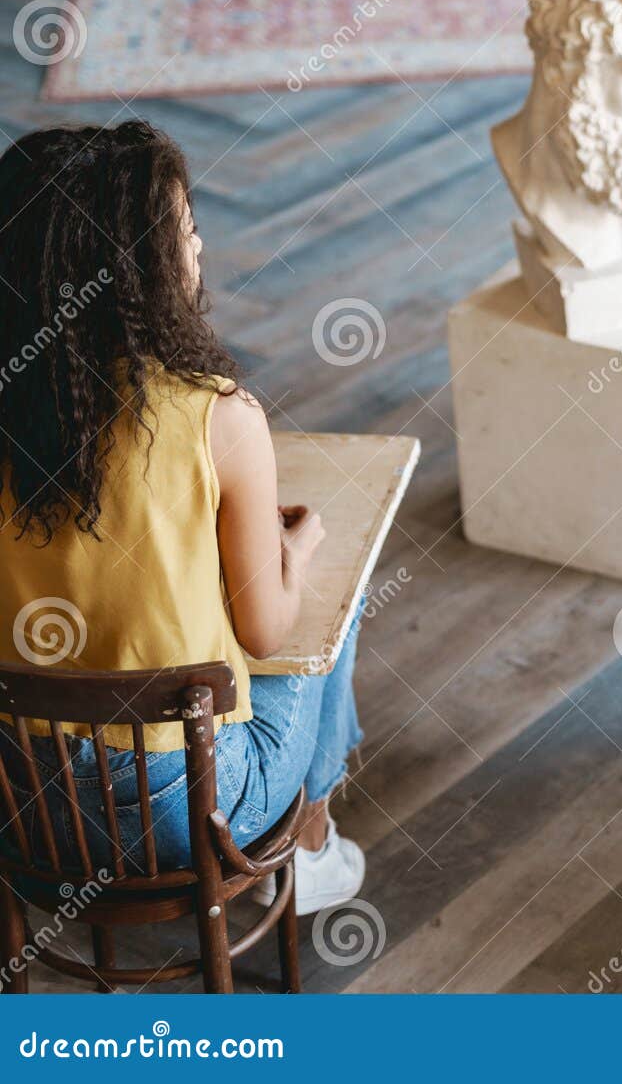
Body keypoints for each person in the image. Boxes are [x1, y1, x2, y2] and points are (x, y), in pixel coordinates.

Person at [0, 122, 365, 913]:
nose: (197, 248)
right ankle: (310, 846)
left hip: (22, 798)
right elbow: (265, 632)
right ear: (141, 269)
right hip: (182, 809)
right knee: (343, 593)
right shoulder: (219, 416)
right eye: (185, 232)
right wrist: (294, 550)